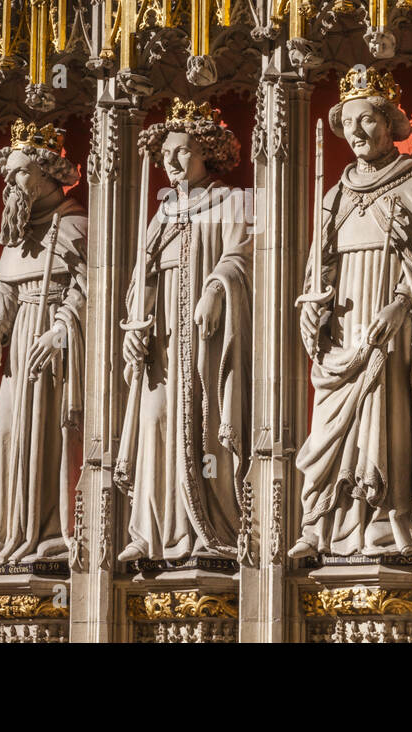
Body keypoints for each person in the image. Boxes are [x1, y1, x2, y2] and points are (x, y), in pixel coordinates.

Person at [291, 66, 412, 559]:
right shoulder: (334, 198)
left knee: (384, 411)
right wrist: (311, 313)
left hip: (390, 328)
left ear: (391, 123)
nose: (355, 132)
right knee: (331, 426)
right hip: (343, 333)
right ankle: (325, 525)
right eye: (347, 122)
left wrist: (401, 304)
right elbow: (319, 274)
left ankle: (386, 517)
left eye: (367, 119)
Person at [114, 99, 252, 562]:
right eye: (166, 154)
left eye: (182, 151)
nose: (170, 162)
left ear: (206, 152)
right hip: (163, 342)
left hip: (208, 340)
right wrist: (135, 325)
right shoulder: (161, 216)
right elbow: (142, 278)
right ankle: (150, 532)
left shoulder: (234, 202)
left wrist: (217, 285)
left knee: (203, 426)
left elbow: (247, 255)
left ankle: (207, 530)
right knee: (155, 423)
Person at [0, 121, 87, 570]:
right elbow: (6, 290)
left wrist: (61, 328)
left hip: (57, 347)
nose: (11, 182)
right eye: (10, 173)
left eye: (20, 172)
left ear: (46, 174)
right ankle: (3, 532)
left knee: (48, 435)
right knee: (7, 435)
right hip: (20, 343)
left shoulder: (76, 224)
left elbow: (87, 287)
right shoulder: (19, 233)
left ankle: (53, 532)